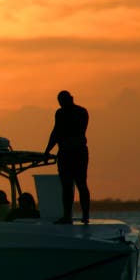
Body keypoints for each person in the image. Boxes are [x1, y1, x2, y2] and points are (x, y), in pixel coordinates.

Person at [45, 90, 91, 224]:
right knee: (66, 186)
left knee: (81, 183)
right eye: (61, 102)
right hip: (65, 153)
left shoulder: (81, 112)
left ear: (71, 99)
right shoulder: (60, 113)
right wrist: (47, 150)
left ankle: (85, 216)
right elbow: (55, 132)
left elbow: (72, 131)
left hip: (78, 153)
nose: (62, 104)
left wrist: (52, 147)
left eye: (64, 101)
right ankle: (67, 216)